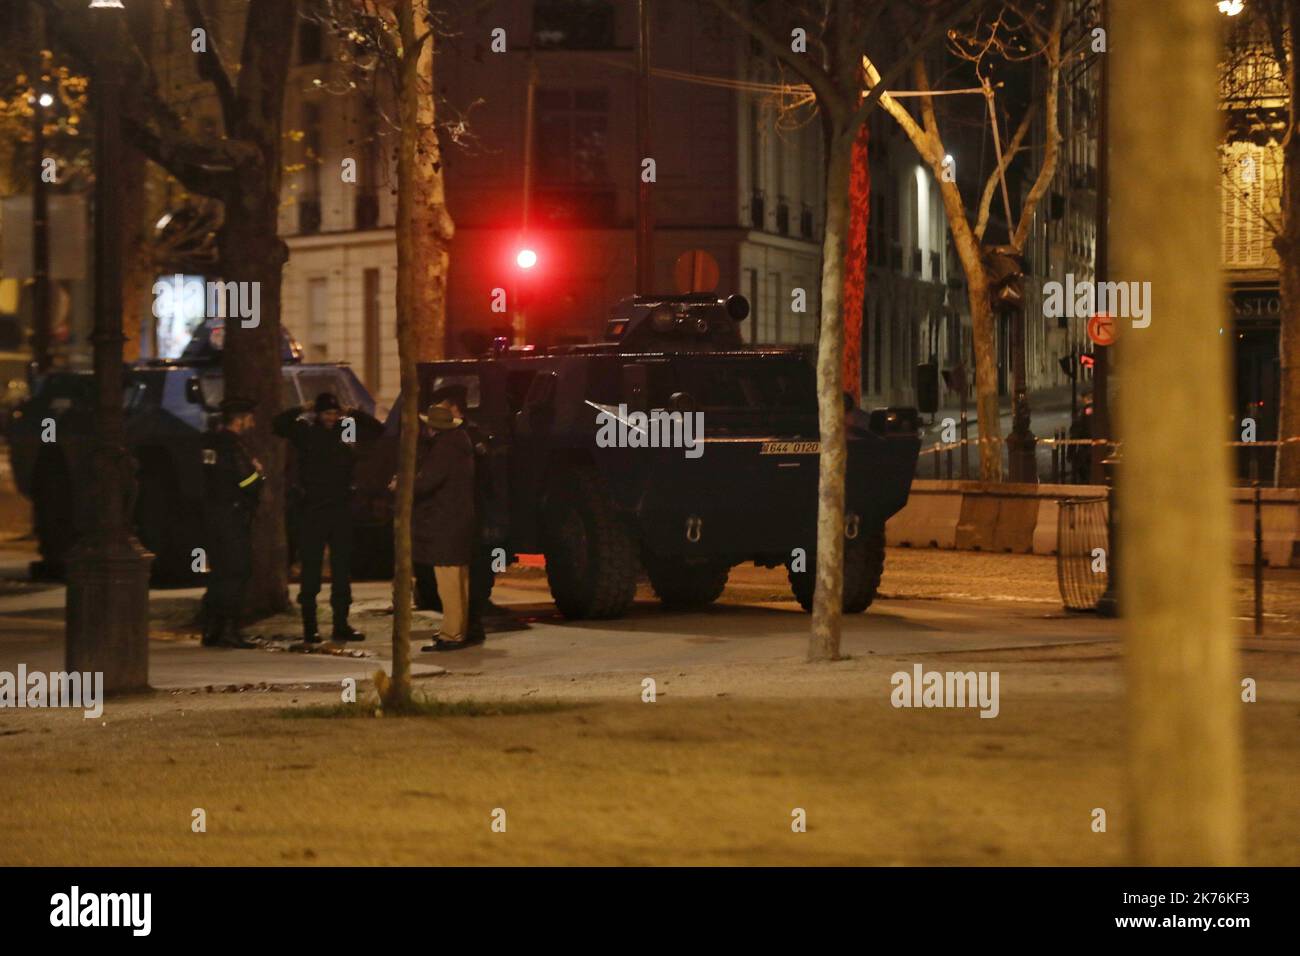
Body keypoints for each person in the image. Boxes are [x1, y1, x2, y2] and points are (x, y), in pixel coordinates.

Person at [273, 392, 383, 643]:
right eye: (327, 414)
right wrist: (302, 407)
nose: (331, 418)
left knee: (342, 571)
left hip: (341, 510)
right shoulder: (306, 432)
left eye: (334, 414)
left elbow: (377, 430)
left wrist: (352, 412)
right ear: (318, 414)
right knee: (310, 571)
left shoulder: (345, 430)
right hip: (313, 510)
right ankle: (310, 627)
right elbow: (277, 425)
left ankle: (341, 624)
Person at [416, 384, 494, 651]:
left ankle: (452, 634)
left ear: (433, 428)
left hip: (445, 522)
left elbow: (427, 482)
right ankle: (458, 630)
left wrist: (403, 485)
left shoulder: (445, 447)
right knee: (459, 581)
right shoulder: (463, 443)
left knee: (448, 583)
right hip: (460, 520)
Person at [200, 396, 264, 649]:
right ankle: (229, 630)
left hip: (213, 515)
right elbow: (245, 482)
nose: (252, 421)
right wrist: (259, 475)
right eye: (249, 417)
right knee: (236, 571)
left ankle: (211, 629)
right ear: (241, 420)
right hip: (232, 515)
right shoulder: (232, 446)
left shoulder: (209, 443)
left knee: (218, 573)